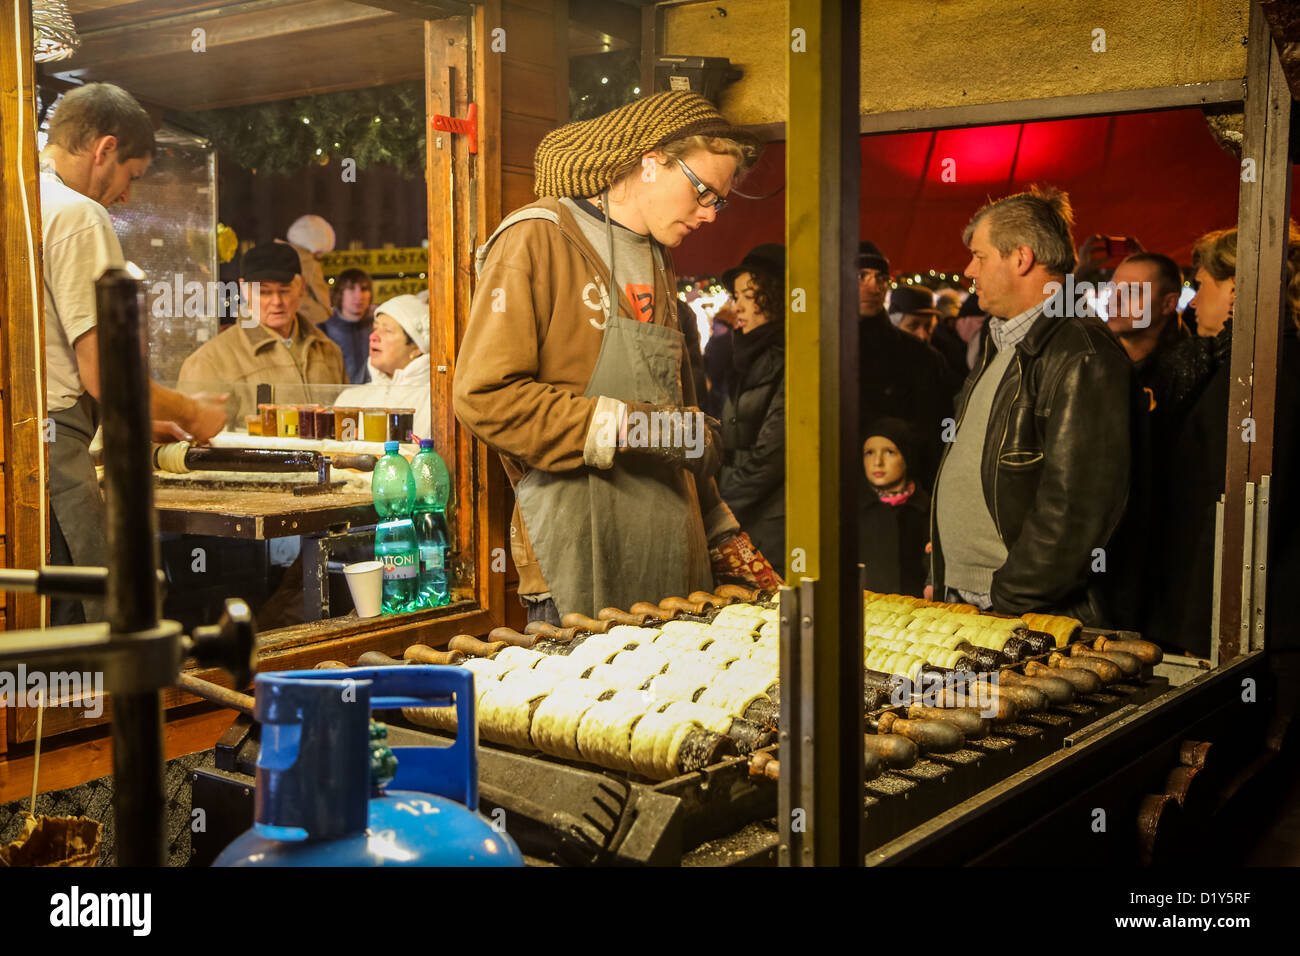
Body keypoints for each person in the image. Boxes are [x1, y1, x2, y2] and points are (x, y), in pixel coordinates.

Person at [453, 91, 780, 622]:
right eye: (702, 192)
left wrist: (721, 531)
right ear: (652, 162)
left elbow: (678, 419)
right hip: (578, 561)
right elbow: (484, 397)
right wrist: (631, 426)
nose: (710, 215)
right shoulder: (538, 236)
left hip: (677, 561)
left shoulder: (657, 255)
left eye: (718, 201)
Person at [39, 82, 227, 623]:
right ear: (103, 149)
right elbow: (109, 377)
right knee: (90, 627)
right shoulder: (77, 215)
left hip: (24, 450)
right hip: (54, 460)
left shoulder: (20, 195)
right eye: (131, 175)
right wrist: (192, 412)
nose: (125, 197)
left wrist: (139, 422)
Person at [930, 186, 1133, 625]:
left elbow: (1074, 513)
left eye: (979, 256)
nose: (968, 270)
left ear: (1020, 258)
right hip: (972, 601)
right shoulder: (1001, 340)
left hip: (1021, 616)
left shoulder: (1082, 353)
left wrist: (1007, 600)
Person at [1145, 224, 1300, 654]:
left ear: (1235, 287)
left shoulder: (1258, 374)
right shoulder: (1246, 362)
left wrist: (1199, 634)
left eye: (1201, 285)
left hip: (1238, 626)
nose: (1193, 301)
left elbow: (1231, 510)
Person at [178, 242, 346, 420]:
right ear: (243, 289)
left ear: (302, 287)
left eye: (284, 290)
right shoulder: (210, 361)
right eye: (264, 292)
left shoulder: (329, 351)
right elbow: (196, 439)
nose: (276, 301)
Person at [857, 241, 954, 489]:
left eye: (879, 278)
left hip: (907, 490)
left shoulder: (922, 355)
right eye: (861, 276)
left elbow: (944, 426)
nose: (873, 287)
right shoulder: (819, 349)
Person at [718, 244, 786, 576]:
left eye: (748, 295)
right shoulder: (743, 355)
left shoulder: (790, 356)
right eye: (736, 296)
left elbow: (773, 456)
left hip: (772, 522)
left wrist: (721, 506)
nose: (738, 306)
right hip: (742, 515)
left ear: (773, 297)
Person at [335, 294, 431, 442]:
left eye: (387, 330)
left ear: (417, 347)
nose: (373, 336)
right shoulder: (349, 400)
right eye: (375, 328)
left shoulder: (434, 403)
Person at [858, 418, 931, 597]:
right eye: (869, 452)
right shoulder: (853, 510)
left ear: (907, 457)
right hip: (869, 611)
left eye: (890, 452)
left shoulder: (927, 508)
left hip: (917, 612)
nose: (878, 462)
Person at [1107, 252, 1188, 403]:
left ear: (1168, 304)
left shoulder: (1187, 372)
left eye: (1130, 292)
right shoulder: (1092, 354)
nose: (1113, 301)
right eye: (1111, 290)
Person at [281, 214, 335, 326]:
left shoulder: (276, 255)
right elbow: (322, 295)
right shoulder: (308, 263)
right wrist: (329, 317)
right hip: (305, 316)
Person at [323, 267, 375, 384]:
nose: (359, 296)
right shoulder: (323, 332)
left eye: (364, 289)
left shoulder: (378, 329)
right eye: (351, 289)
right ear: (340, 293)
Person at [702, 305, 735, 417]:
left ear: (724, 325)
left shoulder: (727, 343)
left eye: (716, 323)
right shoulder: (715, 340)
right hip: (716, 390)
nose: (713, 326)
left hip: (723, 391)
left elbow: (717, 368)